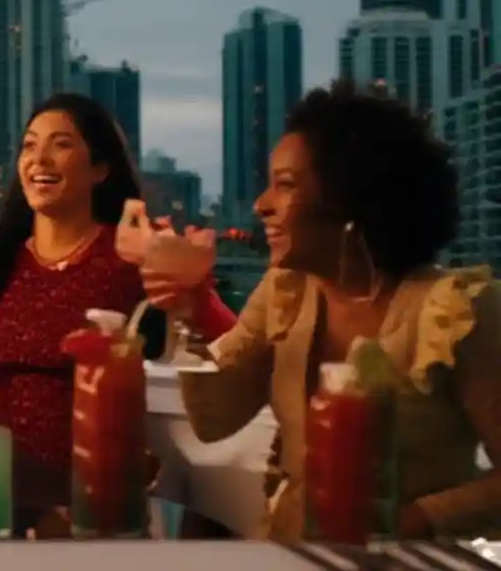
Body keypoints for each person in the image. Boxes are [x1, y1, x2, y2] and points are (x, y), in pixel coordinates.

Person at [177, 80, 501, 540]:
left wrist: (415, 519)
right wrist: (190, 309)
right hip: (292, 554)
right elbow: (215, 419)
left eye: (285, 186)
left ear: (352, 199)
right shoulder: (286, 292)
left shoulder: (456, 311)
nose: (262, 205)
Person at [0, 93, 212, 514]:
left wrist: (181, 276)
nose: (38, 159)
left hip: (98, 487)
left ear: (100, 169)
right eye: (29, 145)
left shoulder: (129, 255)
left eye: (60, 145)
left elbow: (200, 342)